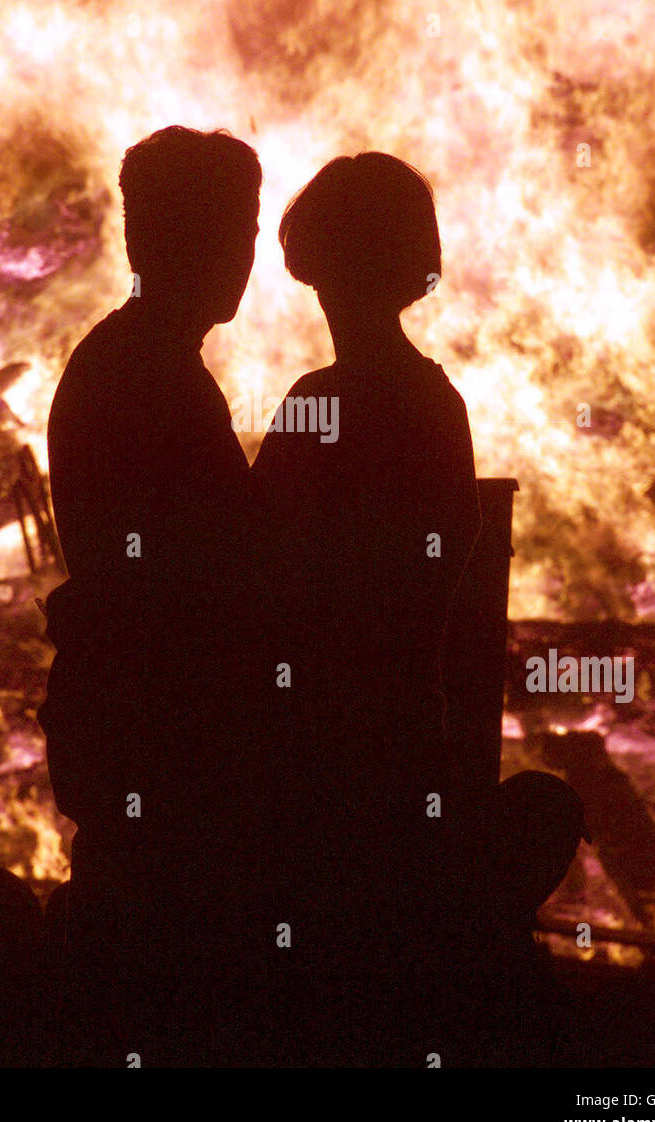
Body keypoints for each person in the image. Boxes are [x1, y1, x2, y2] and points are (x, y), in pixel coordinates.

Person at [250, 153, 584, 1064]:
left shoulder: (322, 405)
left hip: (319, 757)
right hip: (411, 738)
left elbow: (261, 576)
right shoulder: (438, 404)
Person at [39, 126, 263, 1066]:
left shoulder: (142, 364)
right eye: (226, 227)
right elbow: (208, 580)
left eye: (246, 228)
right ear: (151, 240)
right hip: (161, 745)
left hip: (133, 738)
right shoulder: (150, 380)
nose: (242, 253)